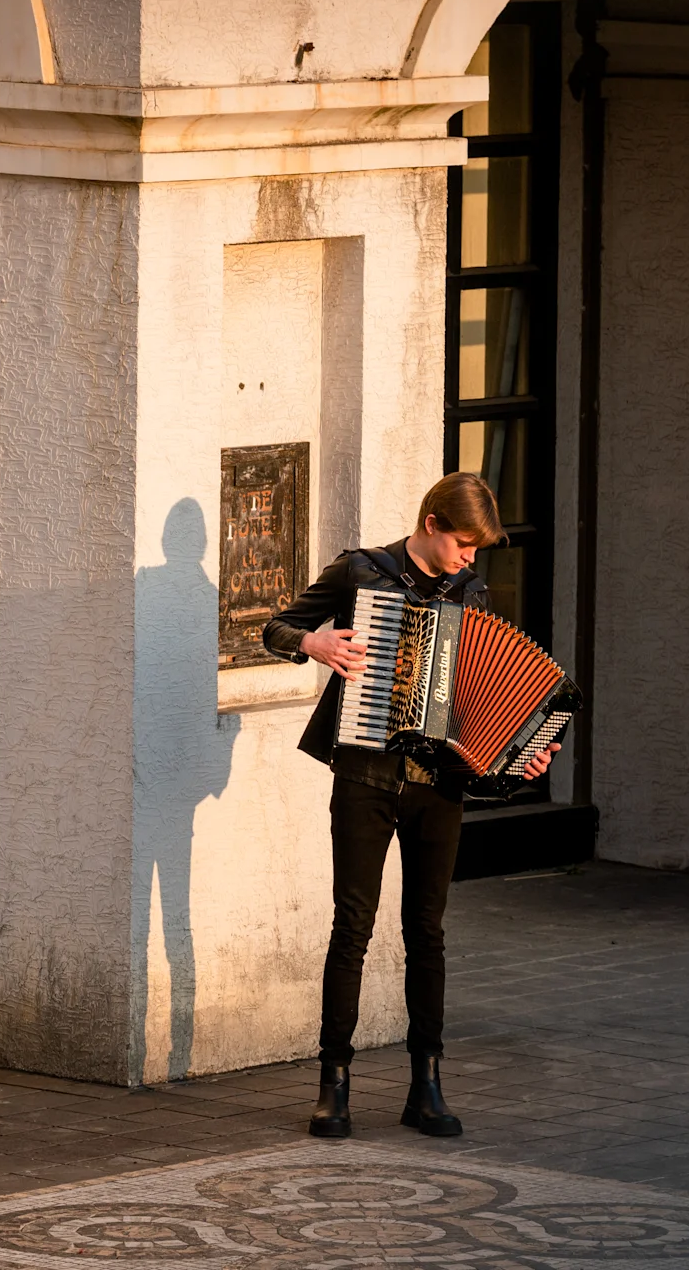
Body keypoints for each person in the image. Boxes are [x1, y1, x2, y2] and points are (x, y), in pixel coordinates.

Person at [262, 472, 558, 1139]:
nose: (468, 558)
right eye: (462, 543)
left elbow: (483, 704)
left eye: (476, 549)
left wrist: (521, 757)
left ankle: (426, 1082)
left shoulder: (470, 594)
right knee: (353, 927)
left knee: (428, 931)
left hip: (438, 787)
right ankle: (332, 1084)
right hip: (365, 777)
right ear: (430, 523)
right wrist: (315, 643)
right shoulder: (361, 573)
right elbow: (276, 627)